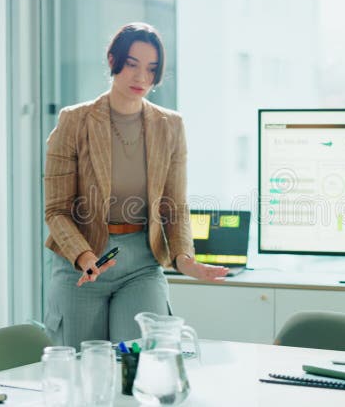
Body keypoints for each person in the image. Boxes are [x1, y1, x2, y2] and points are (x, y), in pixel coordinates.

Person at [43, 22, 228, 348]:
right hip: (82, 264)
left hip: (141, 263)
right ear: (113, 60)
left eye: (151, 69)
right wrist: (85, 256)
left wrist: (185, 260)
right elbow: (57, 210)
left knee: (143, 364)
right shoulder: (75, 121)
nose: (142, 77)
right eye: (132, 64)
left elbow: (174, 205)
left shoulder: (170, 125)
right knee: (84, 371)